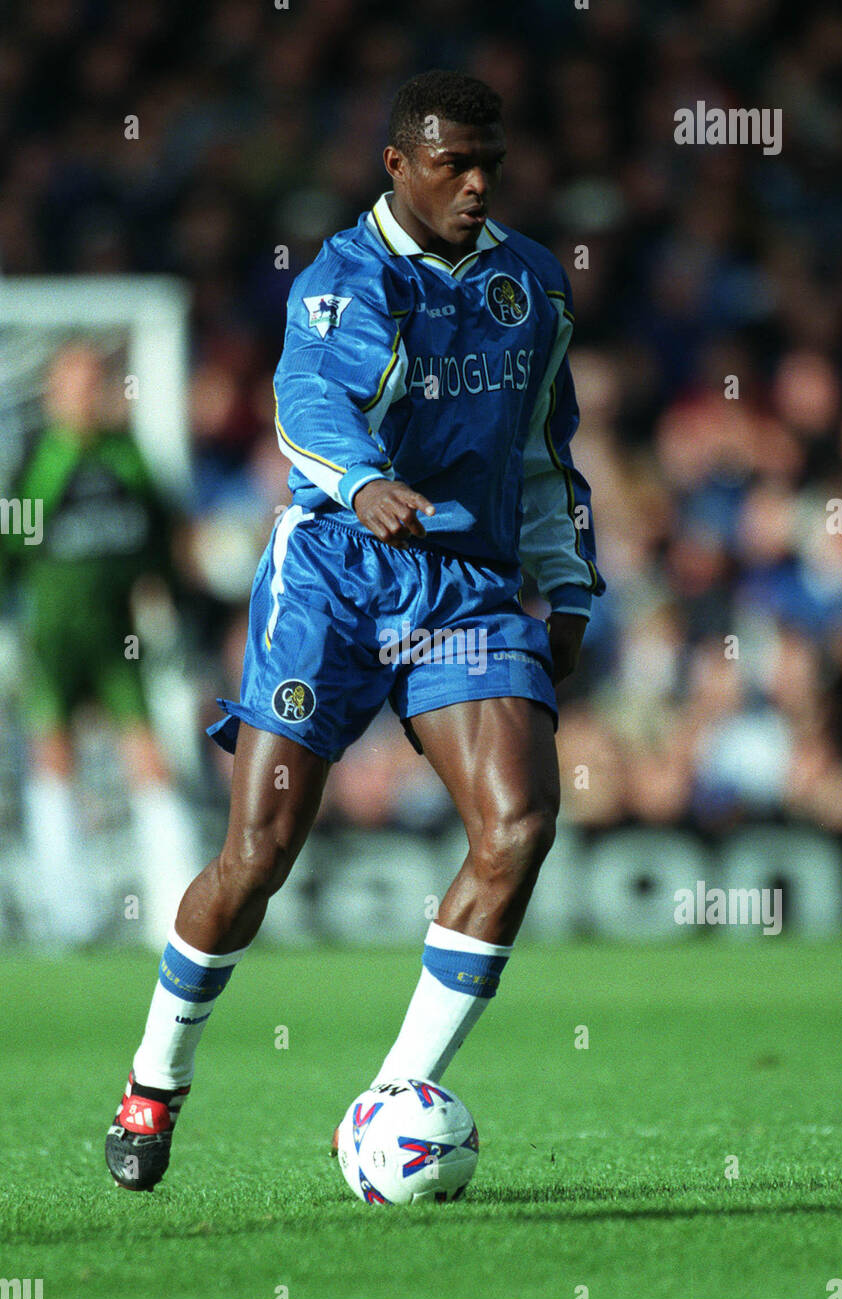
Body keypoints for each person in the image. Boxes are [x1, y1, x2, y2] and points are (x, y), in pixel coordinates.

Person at [105, 70, 604, 1193]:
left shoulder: (530, 285)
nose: (475, 187)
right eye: (450, 166)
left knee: (518, 826)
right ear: (397, 165)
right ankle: (154, 1075)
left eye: (490, 166)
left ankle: (386, 1103)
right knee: (259, 856)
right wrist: (362, 478)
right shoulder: (343, 278)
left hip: (462, 582)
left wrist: (566, 587)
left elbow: (541, 453)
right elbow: (307, 404)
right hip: (335, 573)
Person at [1, 341, 198, 949]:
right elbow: (10, 548)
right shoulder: (37, 458)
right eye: (75, 383)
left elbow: (166, 544)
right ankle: (67, 913)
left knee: (149, 759)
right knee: (53, 758)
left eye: (96, 381)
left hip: (120, 640)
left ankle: (180, 907)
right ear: (55, 393)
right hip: (54, 640)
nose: (87, 394)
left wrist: (169, 610)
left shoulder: (129, 457)